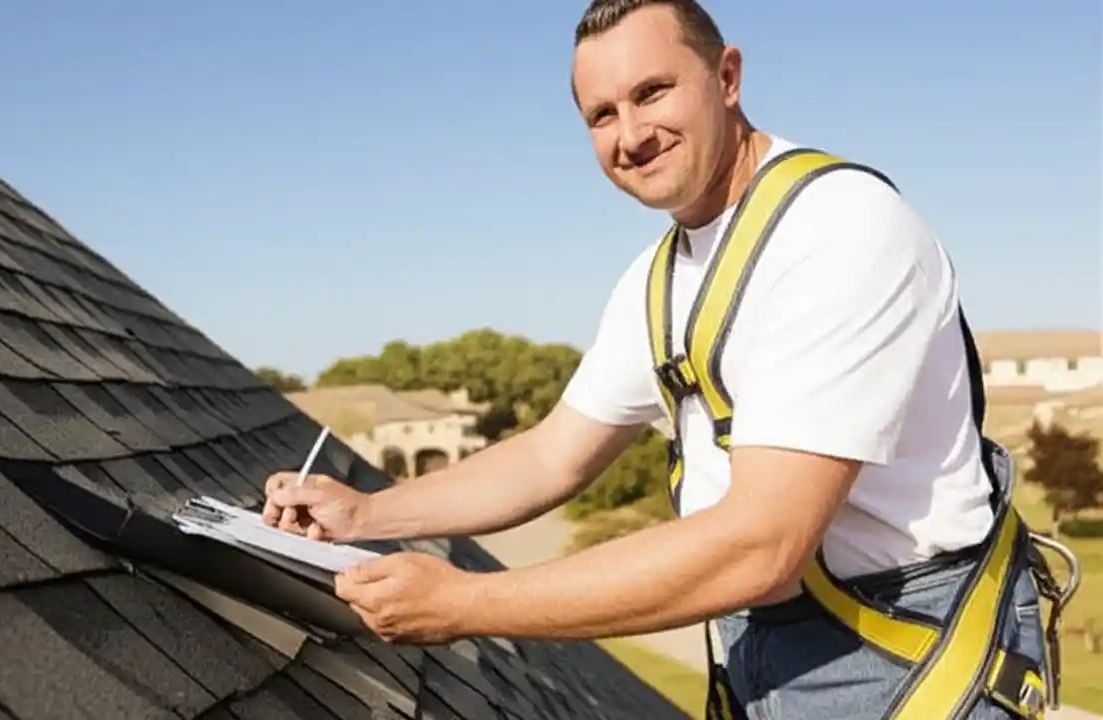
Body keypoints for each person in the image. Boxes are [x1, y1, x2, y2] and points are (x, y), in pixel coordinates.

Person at [263, 2, 1067, 718]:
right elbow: (552, 457)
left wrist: (465, 602)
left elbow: (761, 542)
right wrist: (365, 514)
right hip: (762, 648)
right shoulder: (658, 280)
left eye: (652, 92)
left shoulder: (837, 230)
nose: (630, 134)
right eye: (600, 115)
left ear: (726, 76)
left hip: (901, 657)